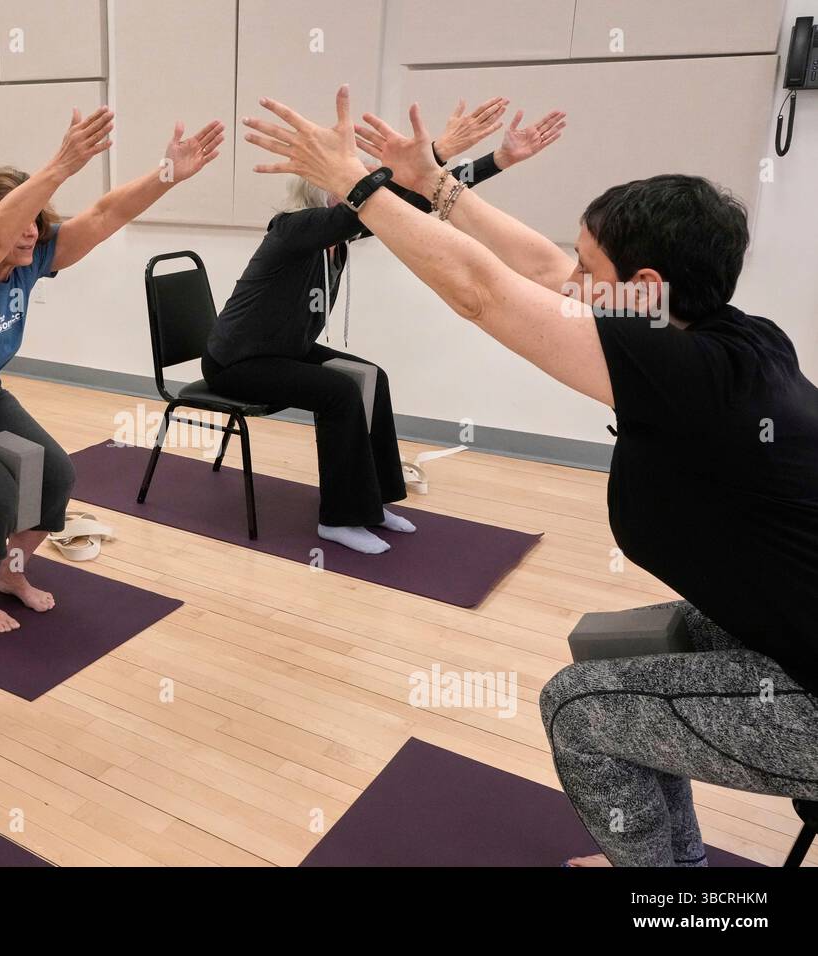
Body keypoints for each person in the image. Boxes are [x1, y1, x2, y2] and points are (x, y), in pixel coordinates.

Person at [241, 86, 818, 866]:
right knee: (616, 652)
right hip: (791, 631)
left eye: (591, 265)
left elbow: (484, 293)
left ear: (644, 287)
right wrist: (439, 184)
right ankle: (678, 874)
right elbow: (543, 269)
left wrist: (362, 185)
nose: (569, 275)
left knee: (576, 709)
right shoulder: (735, 337)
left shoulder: (688, 374)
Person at [0, 111, 224, 633]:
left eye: (38, 220)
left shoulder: (31, 256)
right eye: (24, 220)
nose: (33, 231)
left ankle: (12, 574)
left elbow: (105, 215)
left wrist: (167, 173)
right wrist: (61, 163)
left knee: (54, 475)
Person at [205, 98, 565, 554]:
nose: (366, 191)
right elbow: (369, 202)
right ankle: (337, 519)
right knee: (339, 394)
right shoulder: (293, 228)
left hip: (284, 350)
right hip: (237, 361)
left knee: (371, 377)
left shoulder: (342, 232)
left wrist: (497, 160)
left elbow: (419, 199)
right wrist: (434, 150)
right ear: (323, 188)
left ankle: (370, 504)